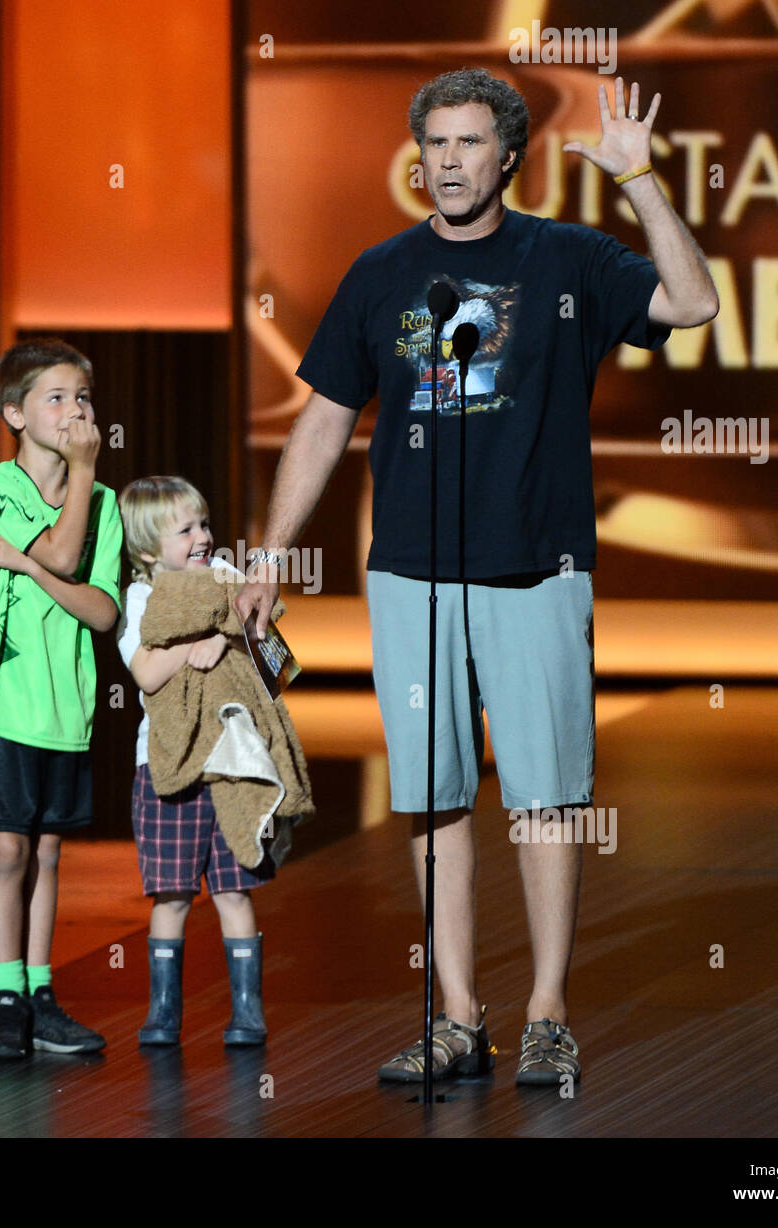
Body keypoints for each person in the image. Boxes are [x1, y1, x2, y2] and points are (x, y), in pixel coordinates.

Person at [237, 70, 718, 1086]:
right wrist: (272, 549)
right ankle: (456, 1016)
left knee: (545, 799)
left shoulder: (567, 257)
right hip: (412, 574)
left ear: (508, 156)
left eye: (467, 144)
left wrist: (639, 182)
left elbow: (692, 300)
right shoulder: (379, 273)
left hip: (535, 568)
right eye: (434, 145)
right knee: (434, 797)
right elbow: (323, 415)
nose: (448, 162)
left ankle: (546, 1014)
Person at [0, 338, 122, 1059]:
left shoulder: (106, 502)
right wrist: (77, 481)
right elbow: (60, 554)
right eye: (57, 397)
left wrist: (31, 563)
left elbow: (103, 611)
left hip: (64, 706)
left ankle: (42, 994)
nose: (75, 409)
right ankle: (5, 997)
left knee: (48, 853)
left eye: (82, 397)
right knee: (6, 849)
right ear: (15, 413)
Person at [116, 476, 276, 1047]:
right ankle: (163, 1011)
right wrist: (195, 642)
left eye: (203, 524)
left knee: (235, 891)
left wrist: (232, 635)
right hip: (169, 767)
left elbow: (272, 657)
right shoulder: (140, 600)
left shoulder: (227, 583)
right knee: (172, 893)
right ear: (148, 550)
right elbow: (146, 671)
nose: (202, 536)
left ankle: (247, 1009)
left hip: (232, 762)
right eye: (185, 530)